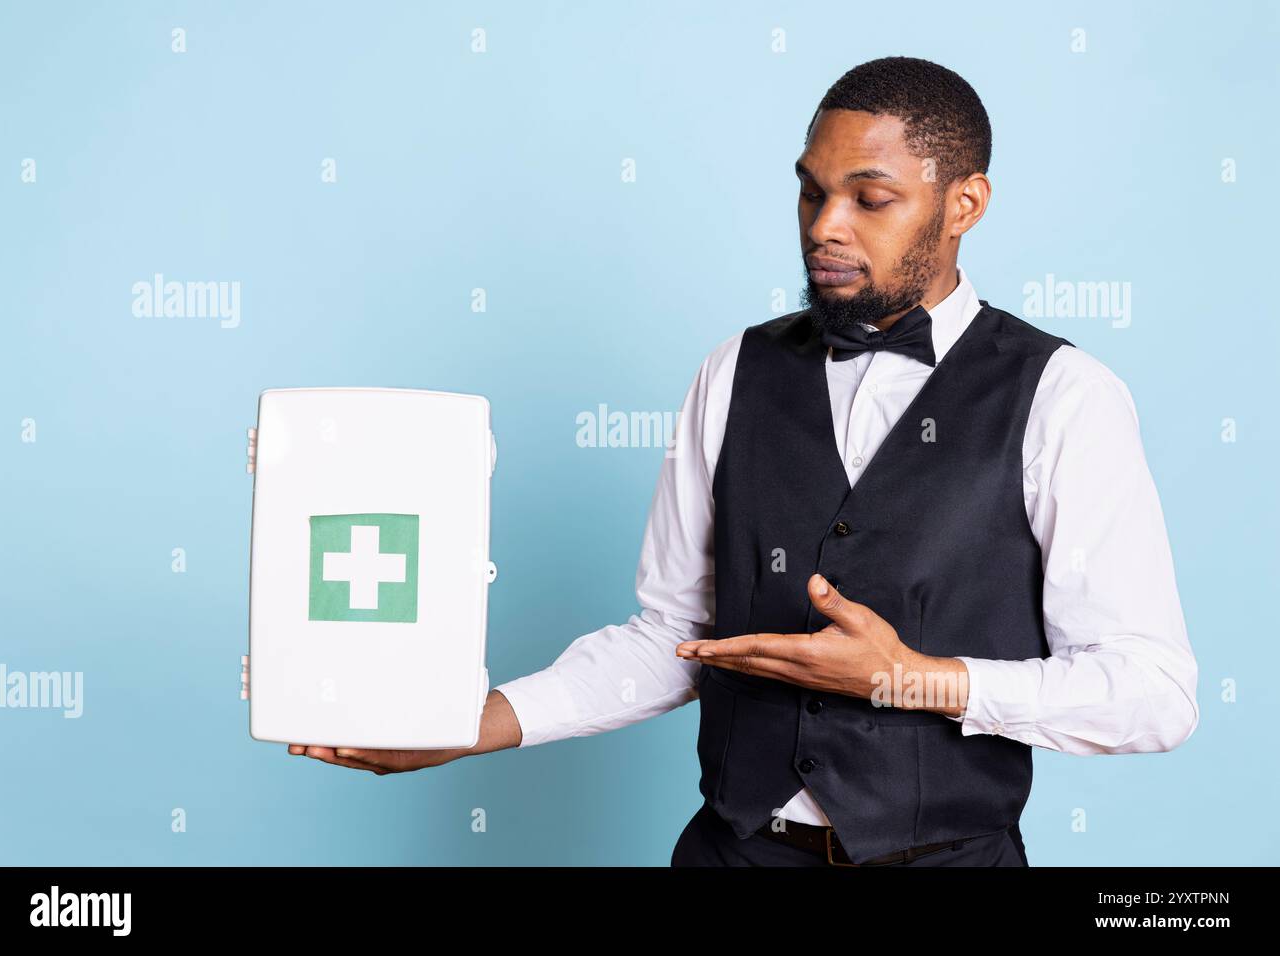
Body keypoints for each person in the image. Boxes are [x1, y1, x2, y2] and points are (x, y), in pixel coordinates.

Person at [290, 56, 1199, 867]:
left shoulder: (1064, 396)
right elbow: (674, 638)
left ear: (964, 204)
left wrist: (911, 676)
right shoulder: (735, 370)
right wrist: (470, 725)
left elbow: (1152, 695)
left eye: (869, 198)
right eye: (811, 193)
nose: (825, 226)